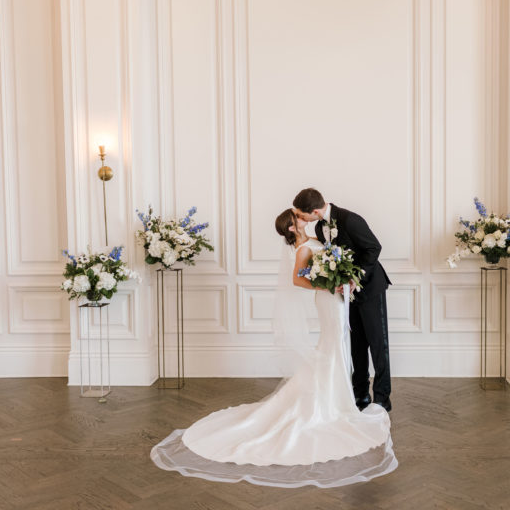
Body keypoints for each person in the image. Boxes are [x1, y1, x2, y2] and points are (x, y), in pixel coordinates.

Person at [150, 209, 397, 488]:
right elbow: (298, 279)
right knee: (333, 345)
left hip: (340, 299)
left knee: (343, 344)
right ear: (292, 228)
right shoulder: (304, 246)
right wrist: (330, 283)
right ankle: (335, 401)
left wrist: (339, 278)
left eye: (303, 215)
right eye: (299, 219)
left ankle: (347, 396)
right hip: (330, 299)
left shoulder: (318, 234)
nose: (304, 220)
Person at [293, 188, 392, 411]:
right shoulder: (319, 227)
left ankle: (382, 397)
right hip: (345, 293)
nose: (301, 219)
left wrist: (356, 278)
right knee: (357, 345)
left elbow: (374, 248)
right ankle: (360, 394)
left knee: (378, 343)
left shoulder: (350, 219)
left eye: (302, 215)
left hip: (370, 288)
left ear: (315, 211)